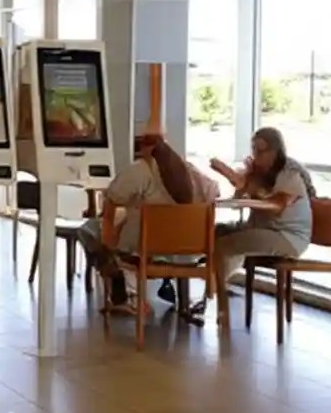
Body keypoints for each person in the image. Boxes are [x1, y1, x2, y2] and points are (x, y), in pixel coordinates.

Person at [78, 134, 220, 307]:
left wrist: (109, 241)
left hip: (145, 248)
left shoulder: (140, 170)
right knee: (126, 224)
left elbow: (111, 202)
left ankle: (113, 269)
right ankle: (180, 301)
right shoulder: (191, 170)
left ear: (143, 151)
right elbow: (215, 194)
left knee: (88, 229)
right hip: (190, 250)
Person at [207, 126, 313, 321]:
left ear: (275, 151)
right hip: (262, 229)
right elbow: (238, 198)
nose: (256, 155)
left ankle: (220, 304)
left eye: (261, 150)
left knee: (224, 245)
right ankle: (214, 286)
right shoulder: (258, 172)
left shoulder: (289, 173)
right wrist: (242, 181)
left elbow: (277, 205)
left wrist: (255, 197)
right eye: (254, 149)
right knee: (214, 233)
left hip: (286, 236)